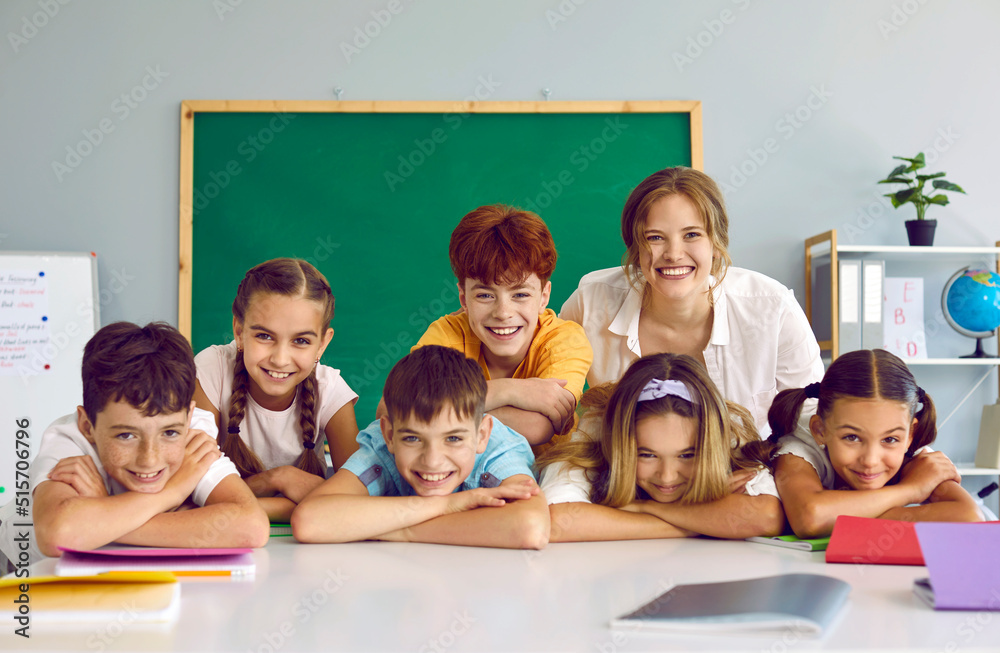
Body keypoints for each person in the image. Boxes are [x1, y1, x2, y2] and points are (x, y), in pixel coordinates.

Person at [560, 167, 822, 435]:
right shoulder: (590, 302)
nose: (673, 254)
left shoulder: (772, 308)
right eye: (655, 238)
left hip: (748, 467)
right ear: (636, 248)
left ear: (716, 243)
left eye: (692, 234)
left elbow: (809, 418)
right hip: (629, 469)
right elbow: (544, 381)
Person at [0, 322, 268, 567]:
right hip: (20, 570)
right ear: (87, 426)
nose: (150, 459)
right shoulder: (68, 442)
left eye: (170, 433)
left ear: (188, 418)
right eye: (126, 436)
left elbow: (250, 526)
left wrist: (102, 515)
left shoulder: (193, 434)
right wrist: (171, 495)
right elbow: (58, 535)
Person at [292, 345, 549, 549]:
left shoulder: (498, 449)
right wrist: (446, 505)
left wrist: (399, 529)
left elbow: (531, 527)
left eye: (453, 439)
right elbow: (310, 521)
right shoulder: (379, 449)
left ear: (482, 434)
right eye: (413, 439)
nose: (433, 461)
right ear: (389, 435)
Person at [537, 353, 784, 542]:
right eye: (647, 455)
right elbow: (557, 520)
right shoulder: (595, 429)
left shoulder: (729, 433)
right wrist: (704, 521)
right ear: (619, 443)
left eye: (687, 455)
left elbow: (767, 517)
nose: (667, 476)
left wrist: (645, 507)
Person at [410, 204, 593, 451]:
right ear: (464, 299)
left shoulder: (564, 340)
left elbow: (537, 426)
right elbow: (388, 410)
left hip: (543, 474)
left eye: (520, 294)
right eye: (485, 296)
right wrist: (509, 391)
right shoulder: (448, 334)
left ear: (544, 296)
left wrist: (434, 410)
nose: (503, 313)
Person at [194, 258, 359, 521]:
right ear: (238, 330)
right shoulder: (210, 370)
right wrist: (275, 480)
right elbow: (197, 487)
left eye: (301, 341)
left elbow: (358, 499)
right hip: (227, 536)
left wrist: (251, 499)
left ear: (322, 344)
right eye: (264, 336)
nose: (280, 359)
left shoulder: (330, 391)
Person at [770, 348, 984, 538]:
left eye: (889, 439)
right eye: (852, 437)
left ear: (910, 435)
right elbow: (811, 518)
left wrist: (840, 517)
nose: (871, 460)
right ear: (820, 430)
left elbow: (970, 518)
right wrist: (910, 490)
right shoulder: (798, 448)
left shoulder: (918, 461)